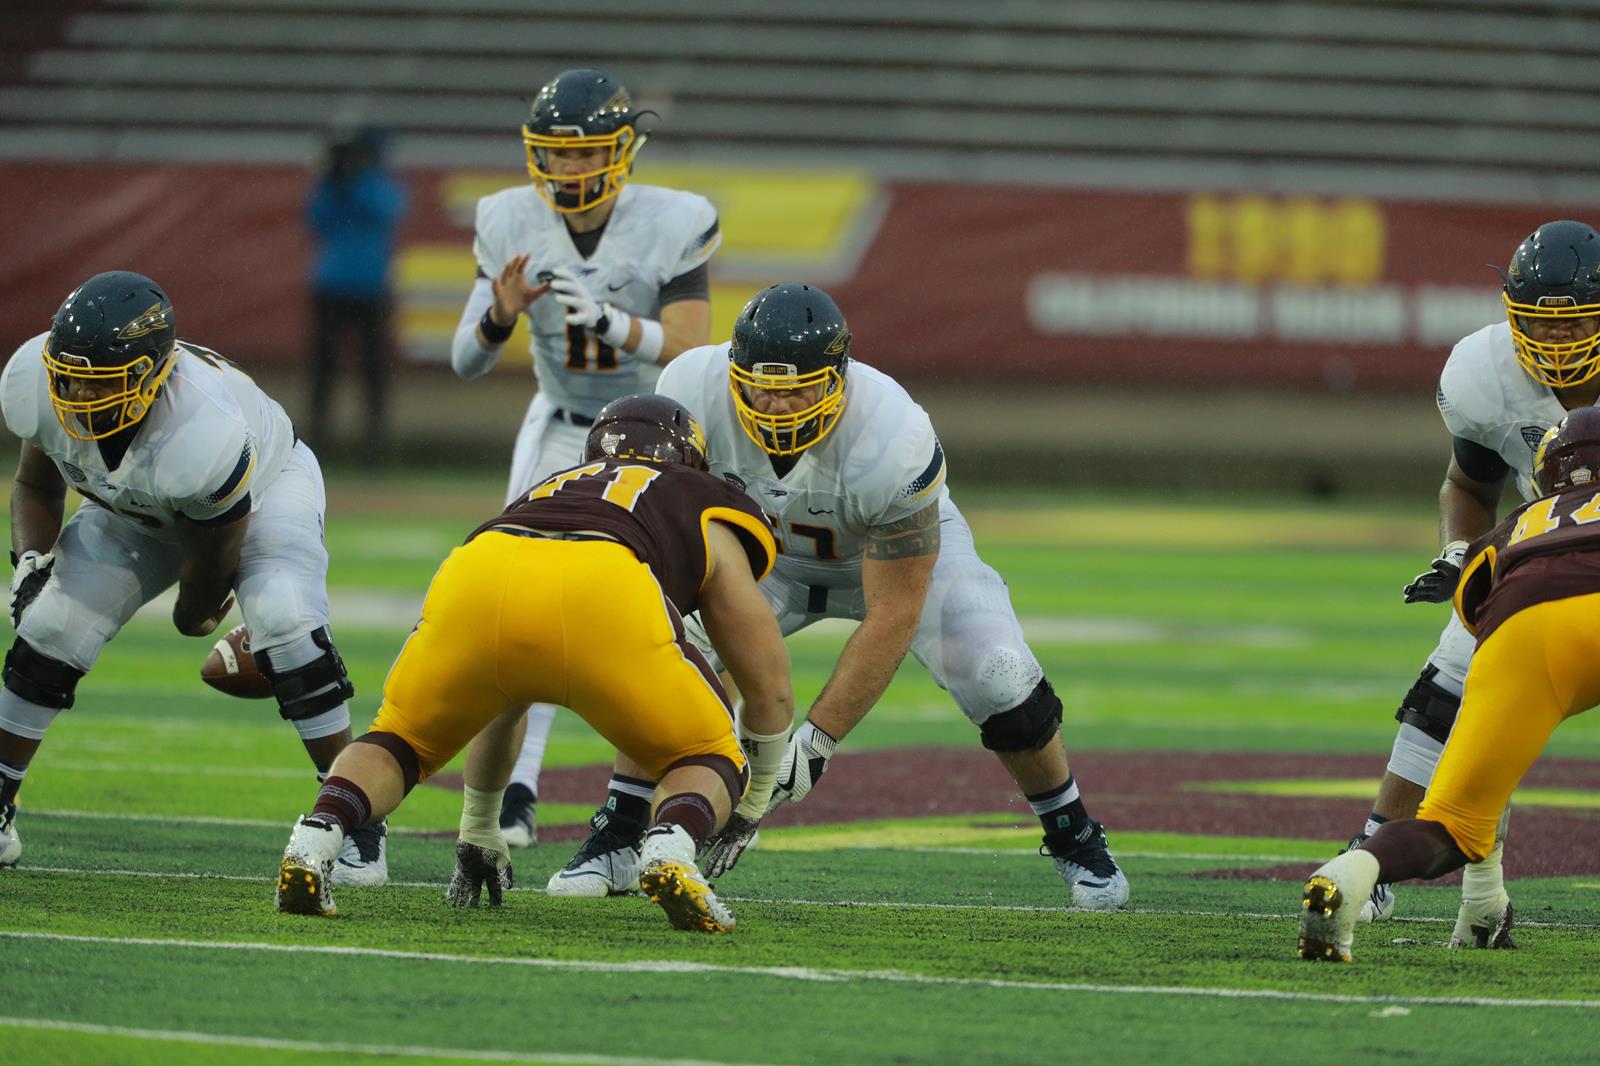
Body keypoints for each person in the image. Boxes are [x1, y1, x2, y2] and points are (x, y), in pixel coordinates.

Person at [545, 284, 1130, 910]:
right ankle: (620, 832)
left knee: (997, 672)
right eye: (762, 385)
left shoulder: (891, 433)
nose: (776, 405)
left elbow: (894, 613)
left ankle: (1075, 839)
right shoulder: (691, 387)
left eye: (797, 387)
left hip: (882, 559)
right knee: (668, 647)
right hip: (764, 559)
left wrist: (815, 745)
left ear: (838, 378)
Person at [275, 395, 792, 932]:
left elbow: (504, 699)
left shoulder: (553, 485)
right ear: (690, 460)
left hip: (480, 568)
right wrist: (752, 798)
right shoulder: (700, 496)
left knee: (398, 742)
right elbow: (768, 685)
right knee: (710, 756)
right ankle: (668, 848)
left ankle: (316, 835)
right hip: (606, 579)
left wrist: (479, 827)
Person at [0, 271, 383, 884]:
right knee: (49, 624)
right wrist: (30, 566)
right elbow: (34, 485)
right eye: (69, 377)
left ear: (152, 373)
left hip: (263, 488)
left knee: (286, 623)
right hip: (133, 507)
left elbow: (210, 559)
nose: (76, 395)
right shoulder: (39, 382)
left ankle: (356, 822)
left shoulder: (203, 430)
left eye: (101, 382)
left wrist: (197, 615)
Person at [448, 68, 721, 851]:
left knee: (661, 608)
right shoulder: (506, 218)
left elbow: (692, 348)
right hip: (562, 427)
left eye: (586, 154)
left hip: (660, 438)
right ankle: (519, 789)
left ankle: (639, 797)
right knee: (522, 603)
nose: (569, 171)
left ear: (622, 150)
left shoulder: (674, 219)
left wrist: (613, 323)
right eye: (555, 155)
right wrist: (502, 313)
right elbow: (467, 358)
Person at [1334, 219, 1600, 939]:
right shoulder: (1488, 378)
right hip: (1551, 558)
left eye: (1576, 323)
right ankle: (1382, 851)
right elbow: (1467, 483)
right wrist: (1458, 553)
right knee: (1447, 688)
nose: (1556, 343)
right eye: (1538, 325)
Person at [1300, 407, 1600, 961]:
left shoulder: (1518, 523)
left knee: (1452, 827)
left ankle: (1352, 870)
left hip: (1524, 630)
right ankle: (1482, 901)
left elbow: (1473, 615)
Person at [305, 125, 408, 469]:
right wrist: (333, 179)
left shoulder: (377, 183)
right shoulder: (331, 186)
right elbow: (315, 219)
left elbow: (387, 210)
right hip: (332, 287)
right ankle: (317, 445)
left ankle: (374, 449)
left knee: (374, 373)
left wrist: (355, 178)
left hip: (369, 288)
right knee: (323, 372)